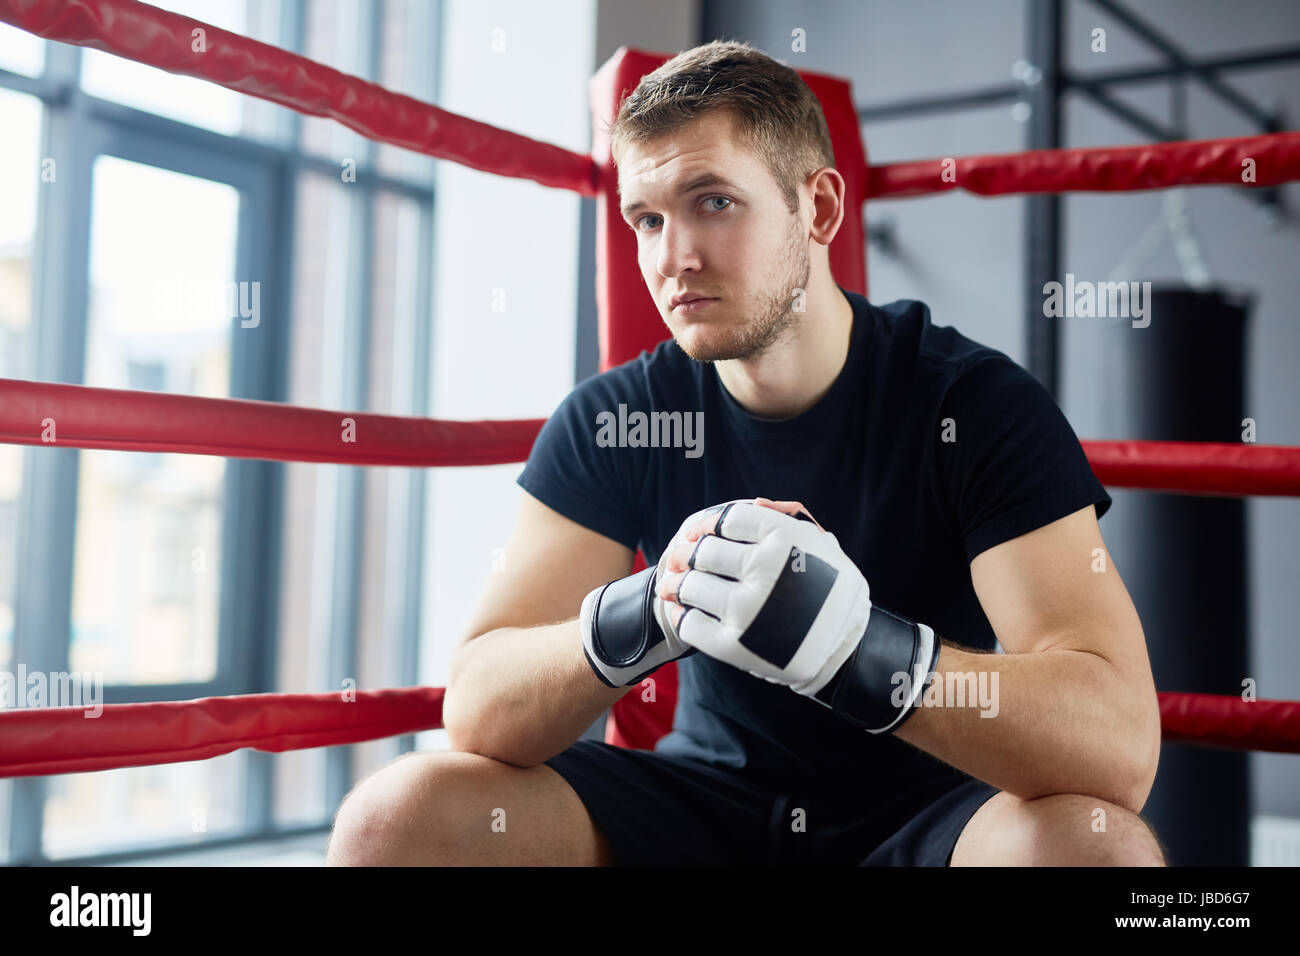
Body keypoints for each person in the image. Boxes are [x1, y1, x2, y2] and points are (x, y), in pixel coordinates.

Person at [326, 40, 1167, 867]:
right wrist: (657, 604)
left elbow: (1119, 746)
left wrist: (858, 651)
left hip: (936, 814)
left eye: (713, 202)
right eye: (647, 218)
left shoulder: (971, 404)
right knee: (396, 822)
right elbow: (477, 704)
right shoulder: (617, 417)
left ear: (820, 210)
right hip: (701, 812)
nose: (671, 257)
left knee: (1097, 853)